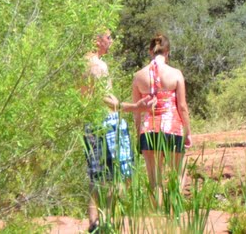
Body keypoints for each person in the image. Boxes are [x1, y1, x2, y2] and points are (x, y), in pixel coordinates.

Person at [81, 29, 133, 232]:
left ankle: (94, 223)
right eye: (109, 38)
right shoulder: (97, 64)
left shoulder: (81, 63)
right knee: (117, 175)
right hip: (106, 122)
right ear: (98, 41)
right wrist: (132, 107)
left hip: (90, 123)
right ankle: (107, 221)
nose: (111, 41)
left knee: (96, 176)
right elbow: (105, 98)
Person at [132, 33, 190, 205]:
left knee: (155, 181)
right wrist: (187, 132)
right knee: (178, 173)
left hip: (148, 130)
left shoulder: (138, 76)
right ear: (167, 52)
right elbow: (182, 107)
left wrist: (138, 135)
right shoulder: (175, 74)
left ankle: (158, 221)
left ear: (150, 51)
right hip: (172, 128)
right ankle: (175, 215)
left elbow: (137, 111)